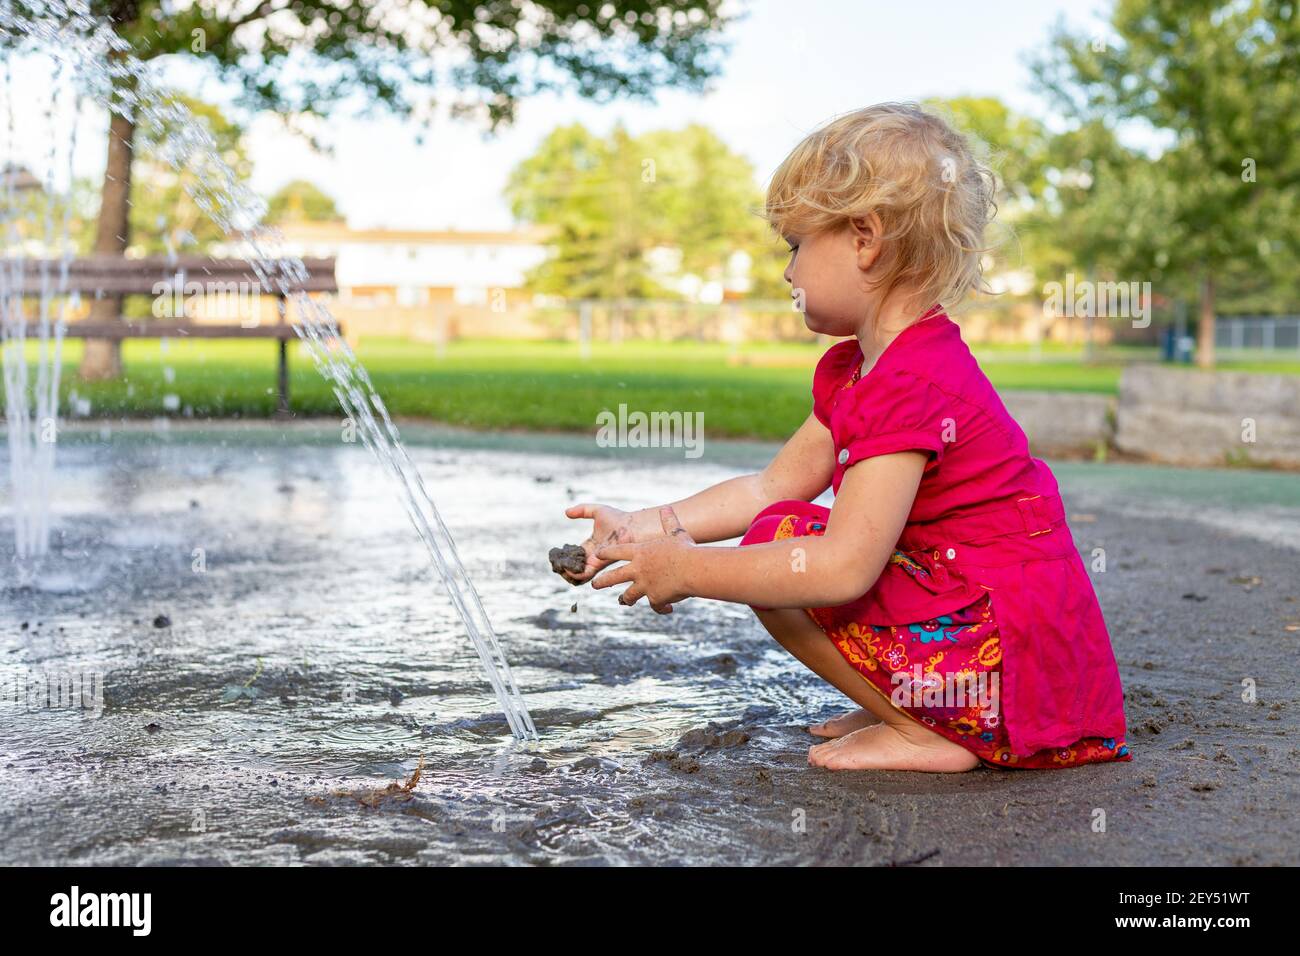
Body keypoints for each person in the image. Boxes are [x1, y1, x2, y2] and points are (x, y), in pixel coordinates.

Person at [562, 103, 1130, 772]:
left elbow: (843, 566)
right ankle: (914, 703)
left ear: (865, 237)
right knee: (781, 525)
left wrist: (686, 569)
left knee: (784, 548)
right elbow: (770, 486)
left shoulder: (911, 383)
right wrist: (645, 528)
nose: (788, 273)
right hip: (992, 632)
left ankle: (928, 733)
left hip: (1008, 660)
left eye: (796, 246)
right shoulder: (868, 369)